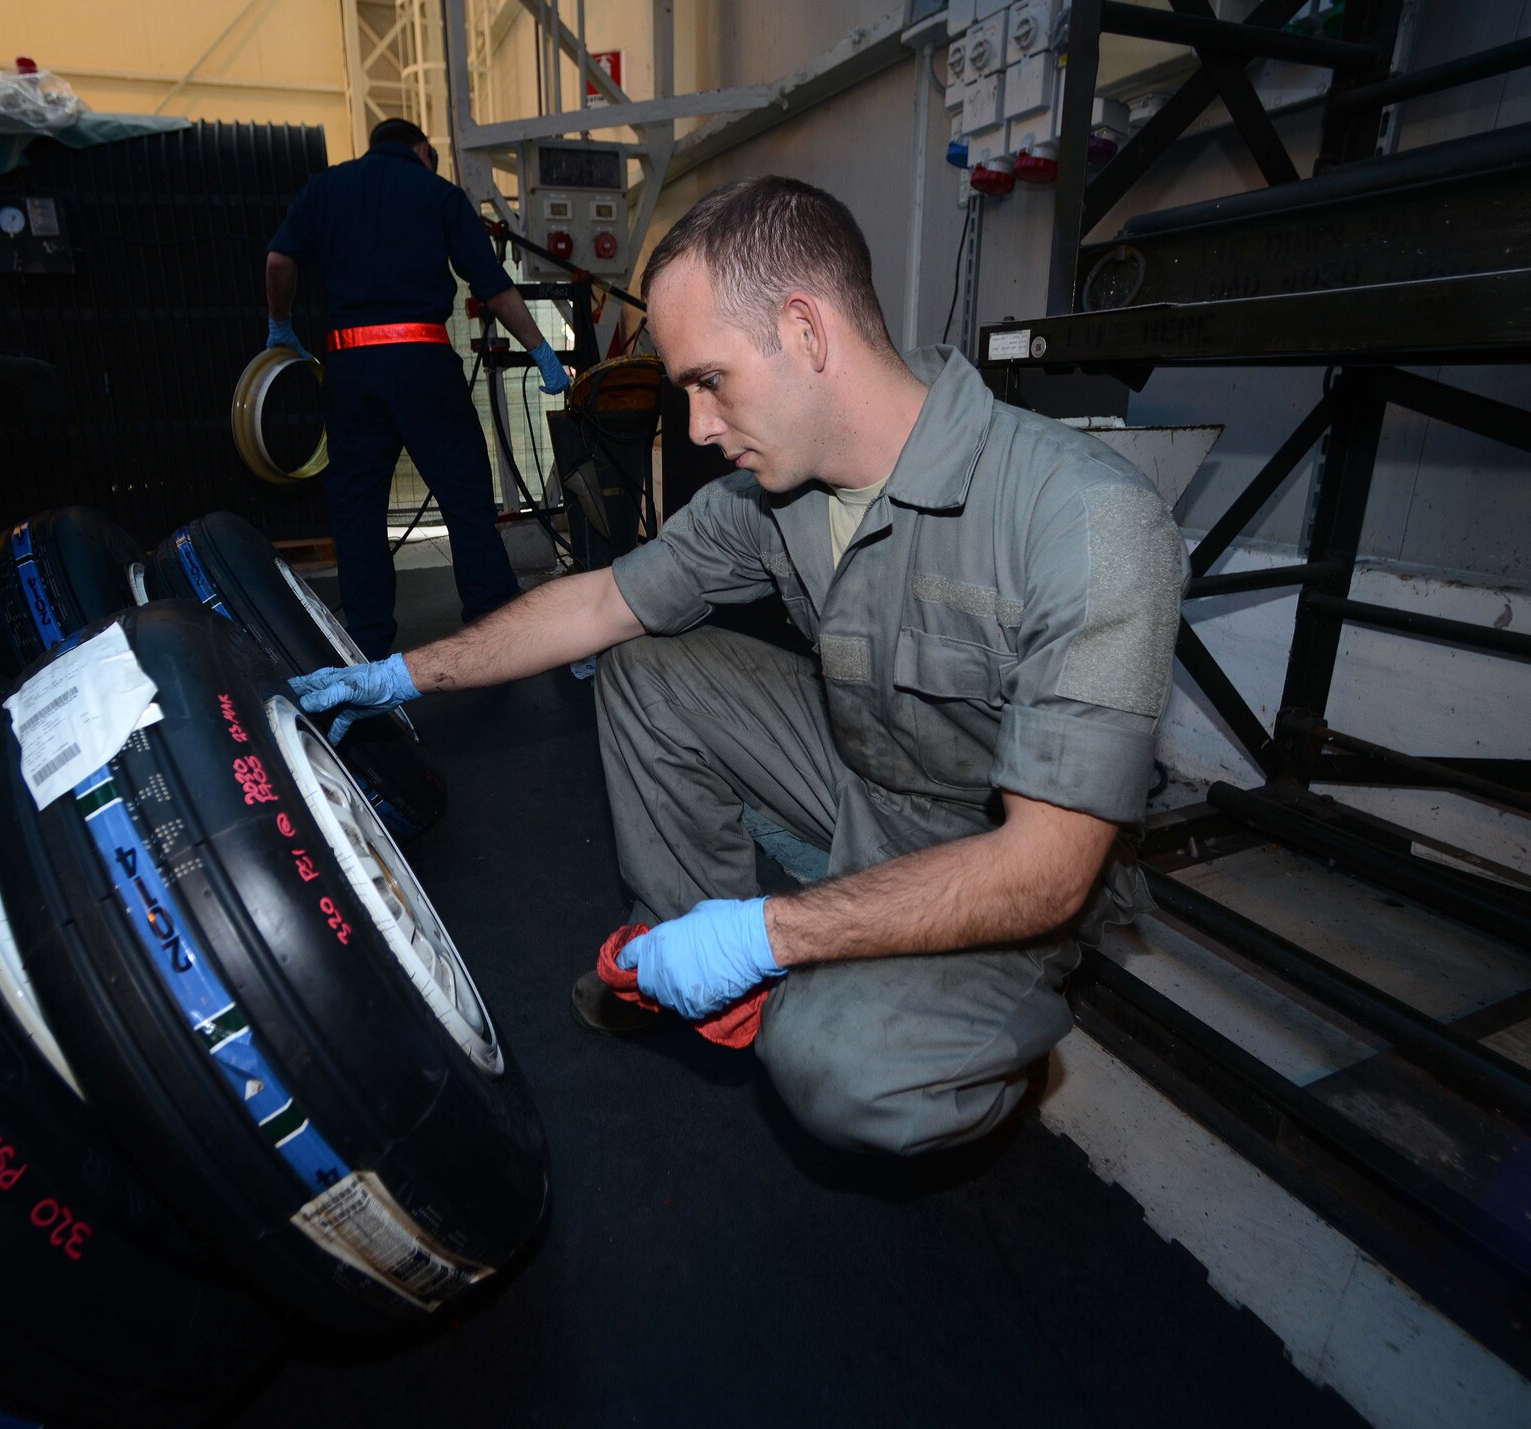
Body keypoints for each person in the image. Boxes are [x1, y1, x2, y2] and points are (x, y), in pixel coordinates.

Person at [291, 175, 1187, 1157]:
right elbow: (597, 602)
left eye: (708, 380)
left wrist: (772, 931)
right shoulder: (774, 497)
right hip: (860, 775)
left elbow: (1047, 871)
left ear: (805, 332)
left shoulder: (1084, 519)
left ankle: (986, 1053)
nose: (698, 426)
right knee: (634, 660)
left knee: (835, 1072)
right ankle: (675, 957)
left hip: (999, 851)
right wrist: (397, 677)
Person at [264, 116, 571, 660]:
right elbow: (494, 289)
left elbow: (279, 260)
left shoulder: (326, 188)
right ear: (423, 150)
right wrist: (542, 352)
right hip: (423, 366)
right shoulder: (439, 194)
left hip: (350, 371)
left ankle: (367, 650)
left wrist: (280, 324)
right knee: (464, 499)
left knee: (358, 514)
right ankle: (491, 627)